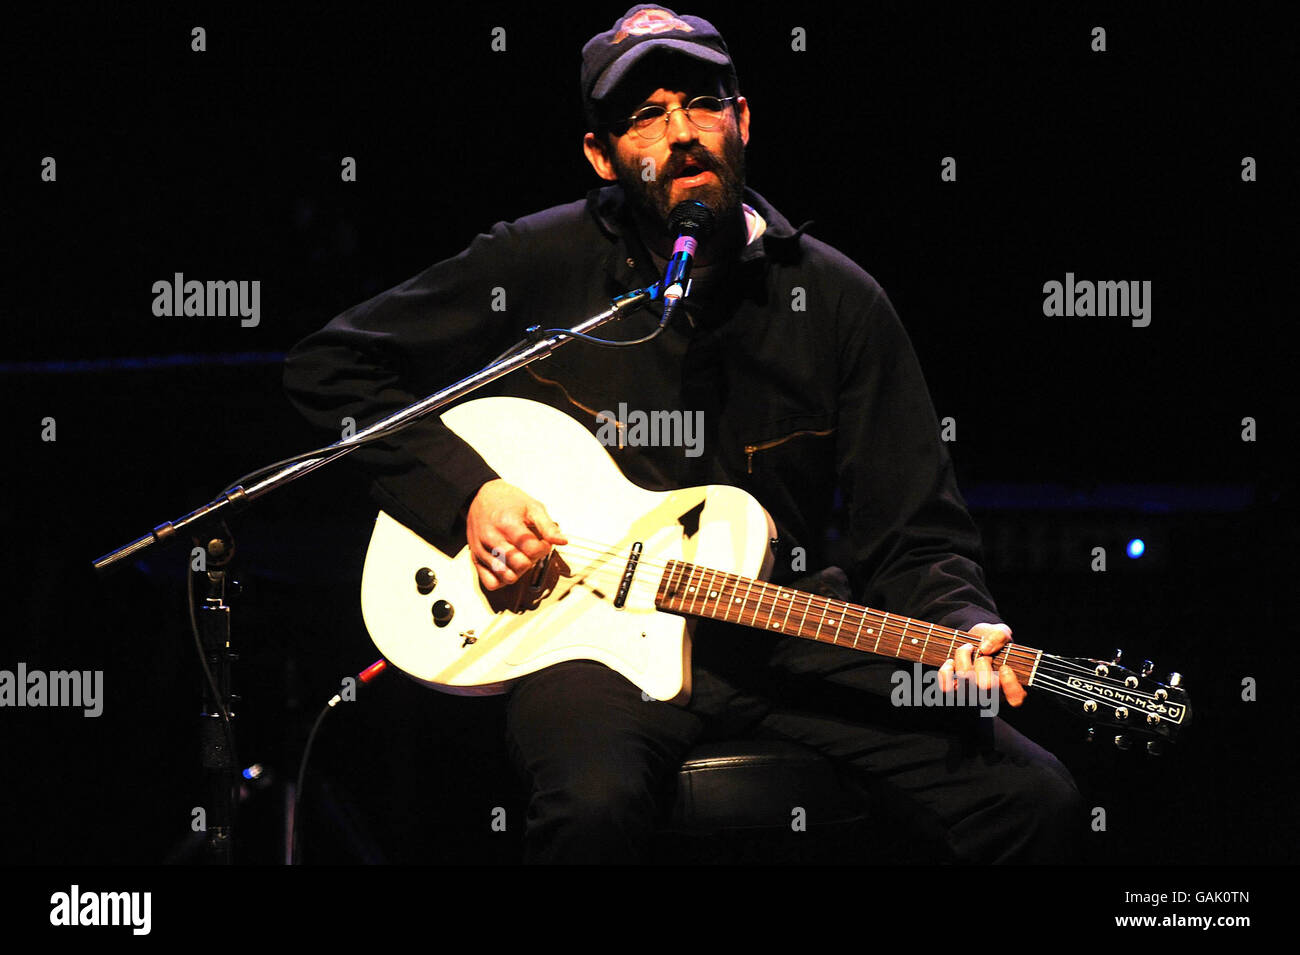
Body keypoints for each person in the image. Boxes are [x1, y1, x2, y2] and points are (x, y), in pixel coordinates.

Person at [283, 4, 1083, 863]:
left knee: (1033, 798)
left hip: (779, 631)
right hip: (585, 647)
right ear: (602, 155)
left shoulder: (839, 301)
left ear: (743, 120)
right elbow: (332, 366)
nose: (681, 133)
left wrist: (959, 618)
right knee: (592, 809)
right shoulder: (538, 261)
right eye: (645, 115)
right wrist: (470, 493)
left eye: (703, 103)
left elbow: (915, 529)